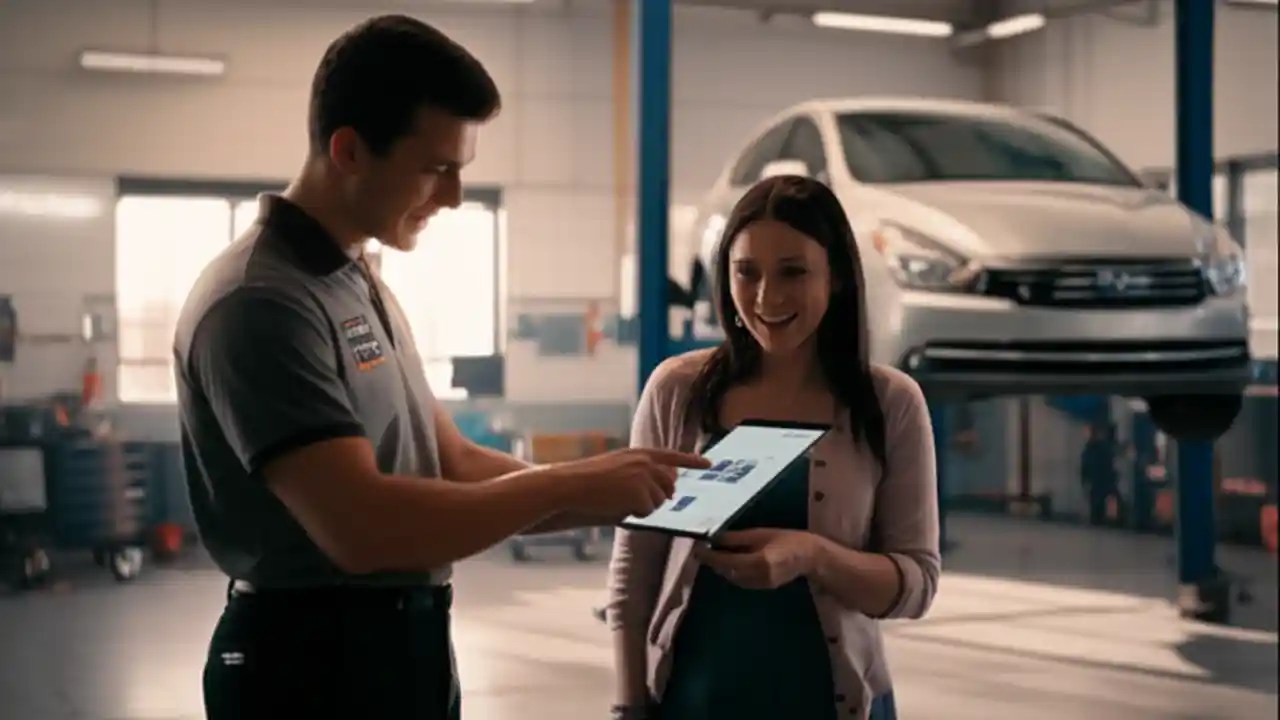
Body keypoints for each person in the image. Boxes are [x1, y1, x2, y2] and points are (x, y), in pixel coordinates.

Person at [173, 15, 708, 720]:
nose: (454, 196)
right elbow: (362, 528)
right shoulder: (262, 302)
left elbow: (450, 463)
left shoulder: (355, 279)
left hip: (397, 645)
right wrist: (574, 482)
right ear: (349, 151)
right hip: (310, 665)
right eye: (437, 168)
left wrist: (627, 492)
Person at [606, 175, 940, 720]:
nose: (766, 297)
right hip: (694, 701)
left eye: (793, 272)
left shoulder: (890, 403)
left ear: (836, 277)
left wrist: (811, 556)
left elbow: (916, 584)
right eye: (747, 272)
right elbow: (633, 573)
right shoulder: (677, 391)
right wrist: (629, 706)